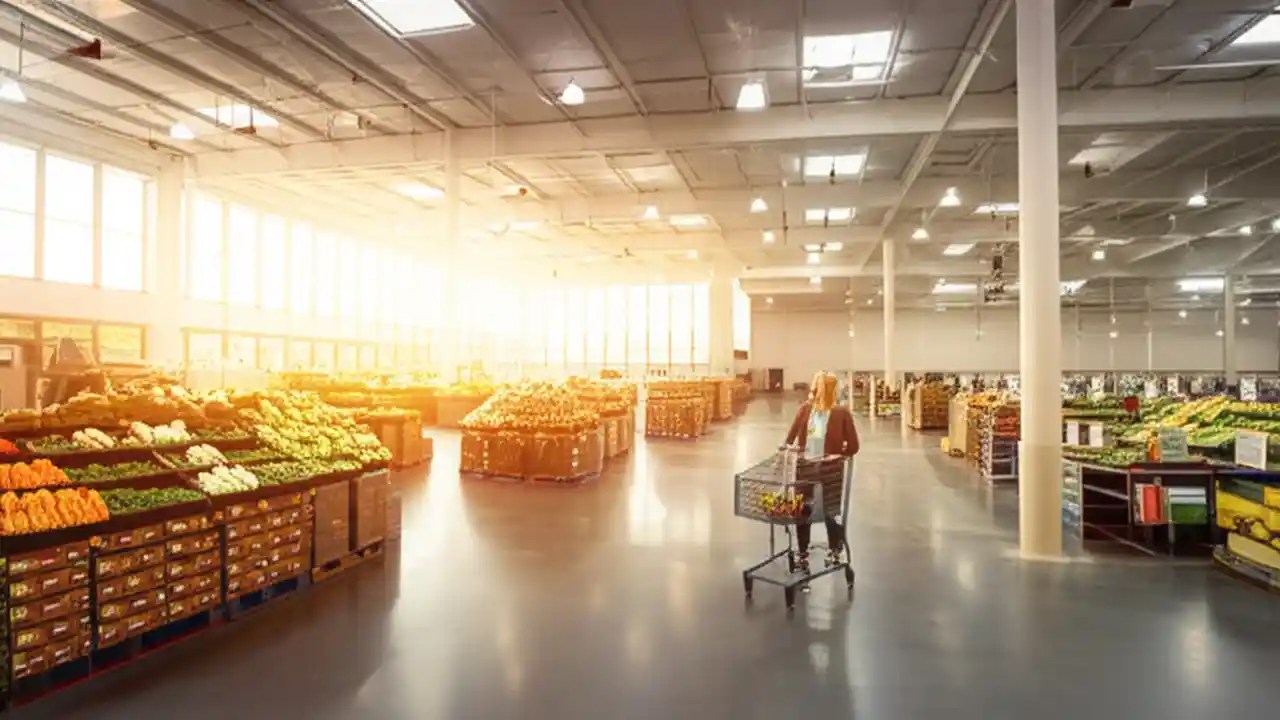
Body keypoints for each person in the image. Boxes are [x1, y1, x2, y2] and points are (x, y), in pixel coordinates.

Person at [784, 371, 859, 571]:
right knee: (831, 509)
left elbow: (789, 439)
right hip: (831, 470)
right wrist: (839, 451)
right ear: (835, 390)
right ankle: (835, 550)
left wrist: (798, 448)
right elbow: (854, 446)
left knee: (803, 509)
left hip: (805, 468)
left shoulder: (804, 410)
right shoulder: (842, 413)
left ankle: (802, 552)